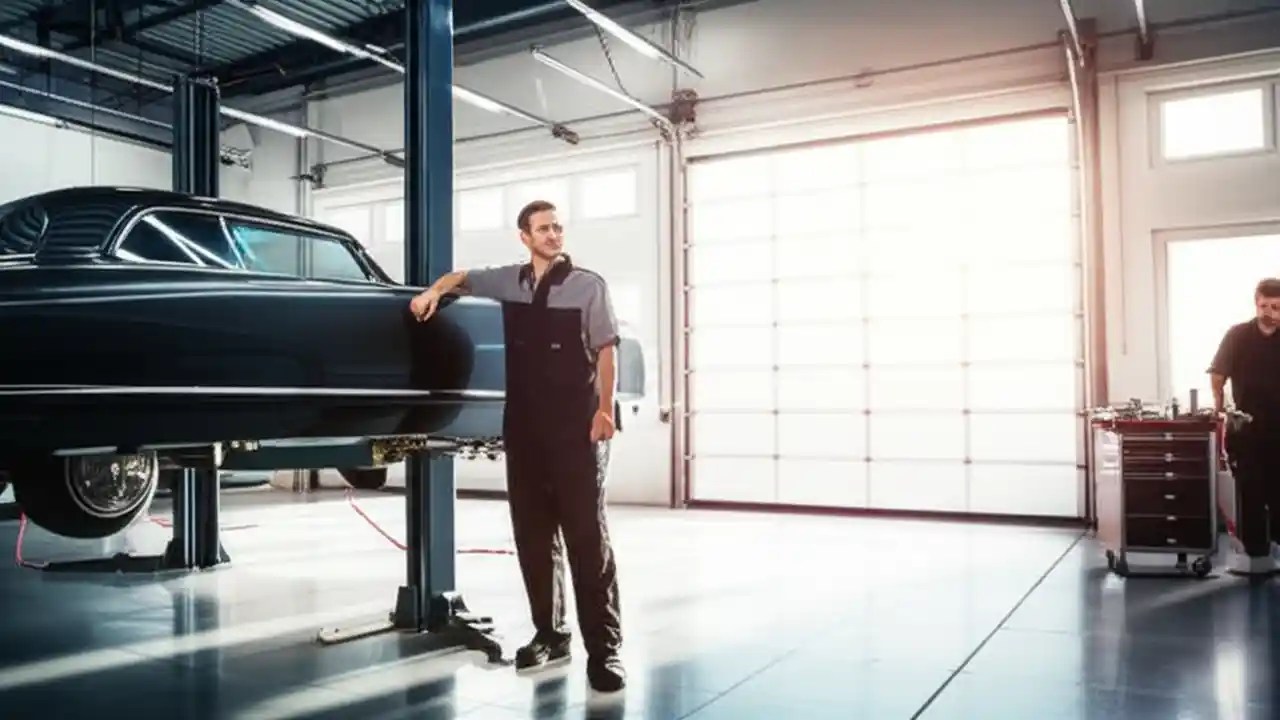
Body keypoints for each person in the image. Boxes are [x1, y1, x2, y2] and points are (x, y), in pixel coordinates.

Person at [408, 199, 627, 691]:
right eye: (543, 229)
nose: (554, 235)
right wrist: (432, 292)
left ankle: (605, 652)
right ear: (524, 237)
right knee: (532, 537)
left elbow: (607, 348)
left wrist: (605, 409)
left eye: (558, 227)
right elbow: (462, 277)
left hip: (577, 427)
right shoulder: (510, 281)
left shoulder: (588, 285)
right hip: (525, 428)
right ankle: (550, 634)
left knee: (587, 543)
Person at [1209, 277, 1280, 576]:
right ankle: (1255, 555)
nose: (1268, 312)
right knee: (1250, 491)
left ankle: (1276, 544)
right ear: (1256, 303)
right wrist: (1220, 404)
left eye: (1276, 307)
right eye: (1263, 305)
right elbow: (1218, 372)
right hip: (1246, 427)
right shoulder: (1237, 335)